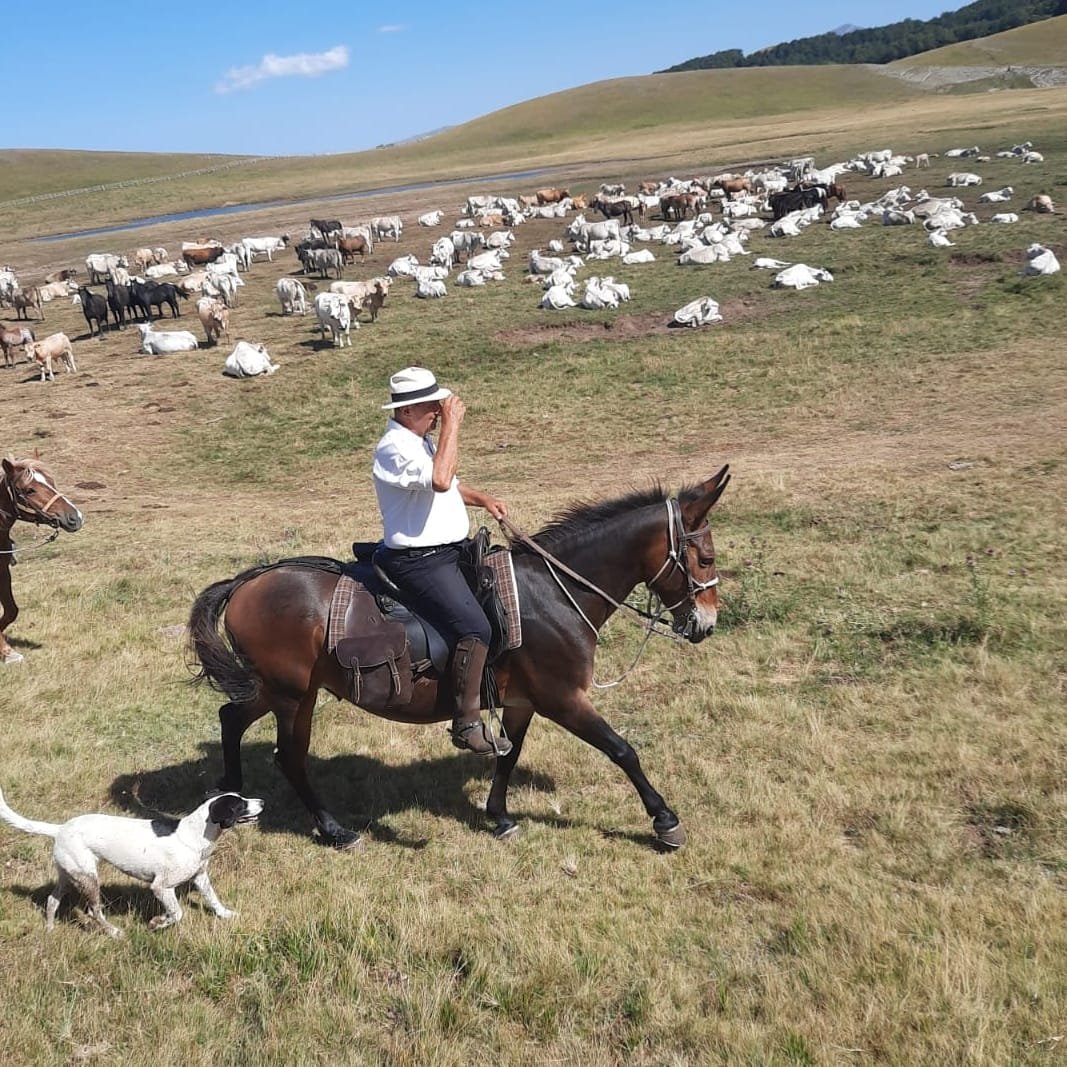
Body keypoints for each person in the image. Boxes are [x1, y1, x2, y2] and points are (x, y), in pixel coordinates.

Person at [372, 366, 512, 756]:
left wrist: (481, 497)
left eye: (439, 406)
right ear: (404, 412)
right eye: (430, 406)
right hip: (420, 560)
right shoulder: (393, 448)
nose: (437, 411)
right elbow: (439, 478)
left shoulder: (419, 440)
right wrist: (452, 424)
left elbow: (448, 482)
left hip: (448, 551)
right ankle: (466, 722)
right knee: (475, 627)